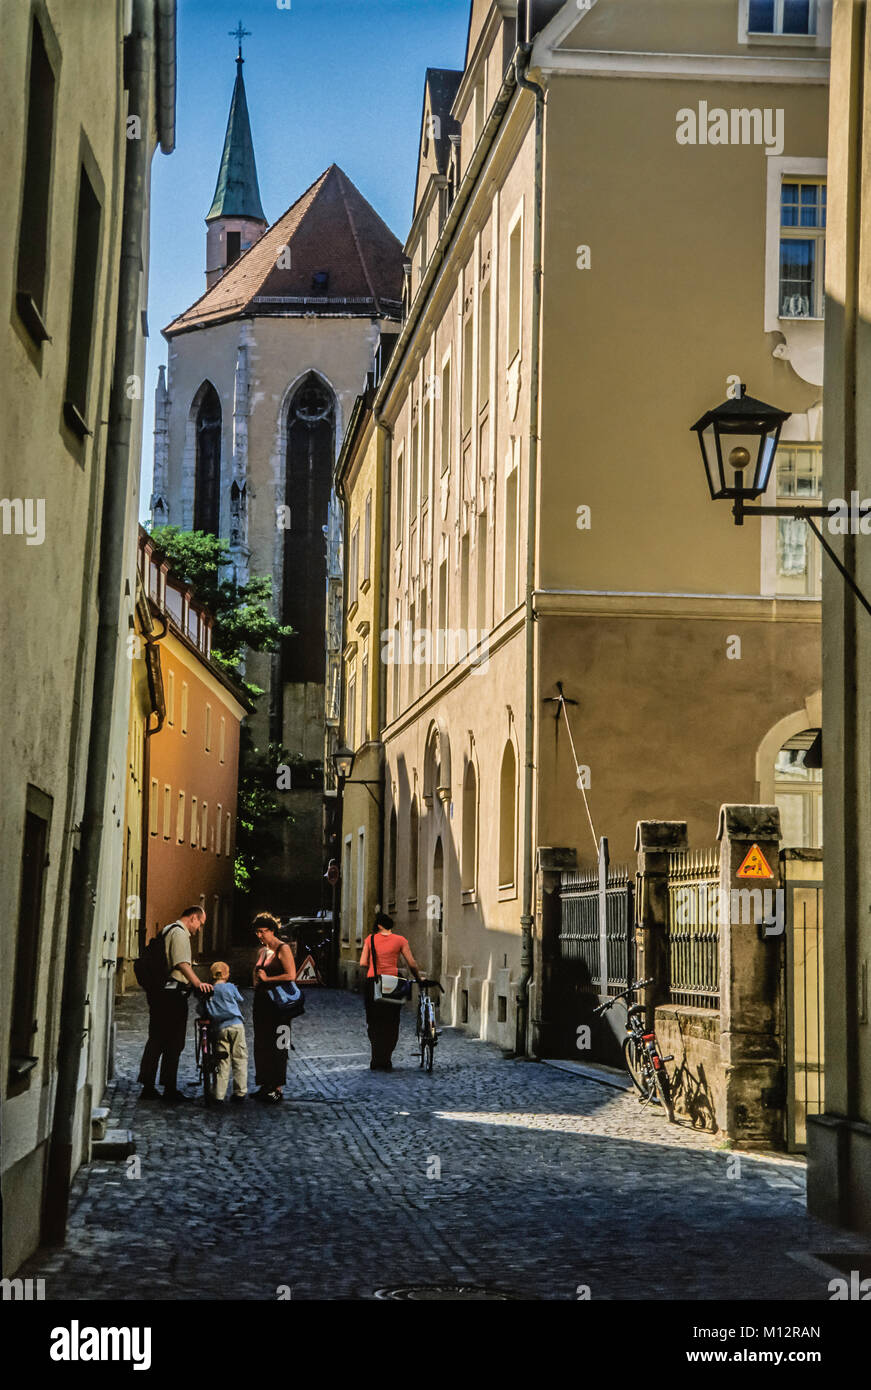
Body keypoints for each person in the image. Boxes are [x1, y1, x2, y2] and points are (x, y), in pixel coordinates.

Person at [138, 906, 213, 1103]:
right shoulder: (180, 934)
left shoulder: (167, 929)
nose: (199, 929)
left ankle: (148, 1085)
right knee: (174, 1041)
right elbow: (181, 964)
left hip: (160, 993)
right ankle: (169, 1088)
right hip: (173, 995)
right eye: (200, 924)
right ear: (193, 918)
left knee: (156, 1038)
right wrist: (198, 984)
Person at [359, 912, 423, 1071]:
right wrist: (419, 979)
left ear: (379, 925)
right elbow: (412, 963)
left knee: (374, 1021)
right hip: (393, 983)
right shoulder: (400, 940)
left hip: (373, 982)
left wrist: (375, 969)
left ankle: (376, 1058)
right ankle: (386, 1058)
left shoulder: (370, 939)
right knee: (392, 1022)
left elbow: (362, 962)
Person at [252, 913, 297, 1103]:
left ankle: (277, 1087)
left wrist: (268, 979)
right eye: (258, 932)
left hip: (281, 1006)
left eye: (264, 932)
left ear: (272, 931)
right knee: (261, 1043)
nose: (261, 936)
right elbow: (256, 974)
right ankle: (264, 1084)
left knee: (280, 1043)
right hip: (262, 1003)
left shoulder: (282, 948)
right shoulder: (262, 952)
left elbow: (291, 975)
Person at [197, 962, 248, 1102]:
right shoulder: (230, 987)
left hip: (220, 1028)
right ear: (227, 974)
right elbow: (240, 999)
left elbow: (201, 1010)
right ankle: (240, 1092)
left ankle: (219, 1095)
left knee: (222, 1061)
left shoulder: (209, 990)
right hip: (236, 1025)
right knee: (240, 1058)